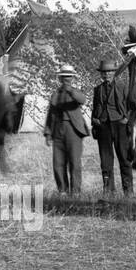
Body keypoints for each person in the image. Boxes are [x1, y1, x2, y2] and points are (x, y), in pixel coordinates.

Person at [91, 56, 134, 194]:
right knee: (106, 160)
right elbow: (95, 107)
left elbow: (130, 106)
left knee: (124, 159)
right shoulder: (97, 89)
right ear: (101, 74)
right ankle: (108, 190)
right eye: (104, 72)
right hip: (103, 126)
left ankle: (128, 191)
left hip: (120, 125)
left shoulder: (123, 87)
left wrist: (126, 119)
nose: (107, 74)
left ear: (114, 72)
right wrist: (94, 120)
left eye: (109, 72)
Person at [44, 63, 88, 194]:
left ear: (73, 78)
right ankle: (62, 191)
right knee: (58, 163)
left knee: (74, 162)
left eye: (69, 76)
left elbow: (82, 100)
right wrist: (48, 133)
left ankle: (75, 192)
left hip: (73, 130)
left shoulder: (76, 92)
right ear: (59, 79)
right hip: (58, 130)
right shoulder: (55, 94)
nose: (66, 79)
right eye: (64, 77)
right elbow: (50, 114)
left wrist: (70, 89)